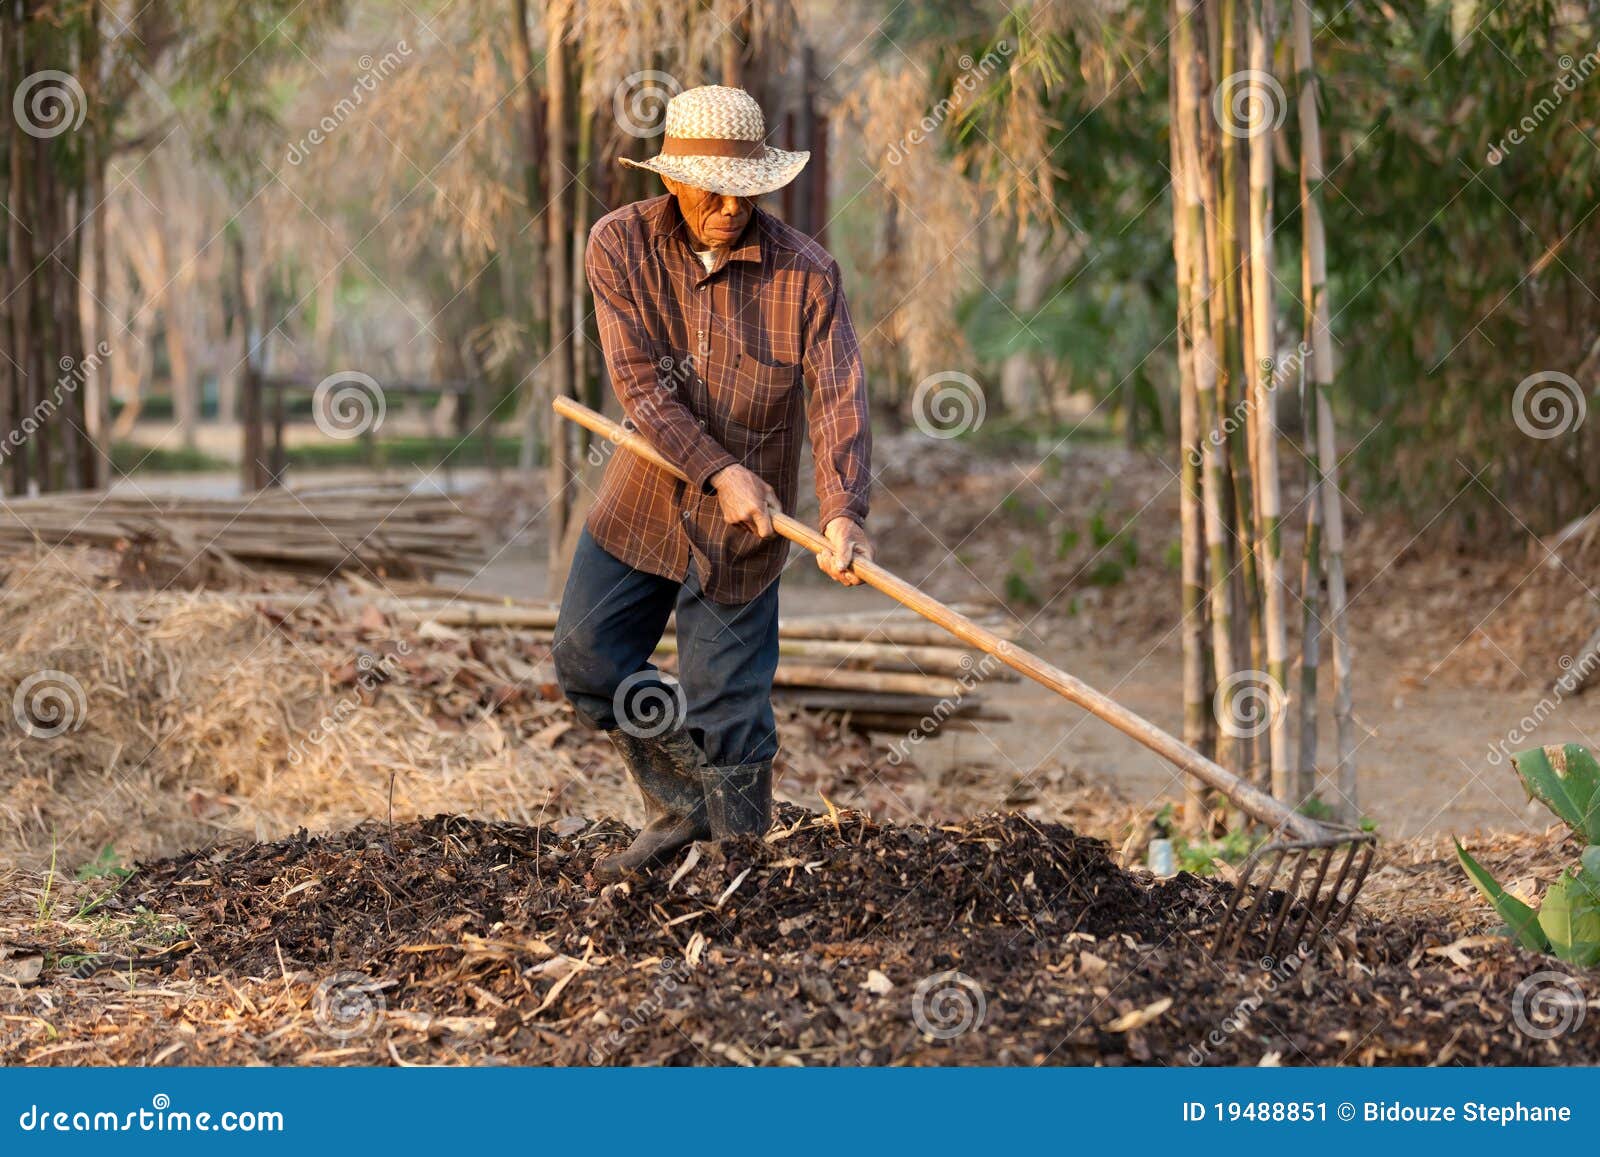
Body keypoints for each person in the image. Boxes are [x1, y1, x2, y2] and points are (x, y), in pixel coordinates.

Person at [552, 84, 873, 880]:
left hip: (744, 530)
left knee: (730, 713)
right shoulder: (617, 244)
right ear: (671, 178)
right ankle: (682, 804)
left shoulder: (808, 275)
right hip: (643, 503)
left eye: (747, 191)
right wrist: (717, 468)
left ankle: (741, 874)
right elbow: (639, 385)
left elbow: (838, 398)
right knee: (589, 657)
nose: (730, 207)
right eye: (713, 190)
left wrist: (842, 509)